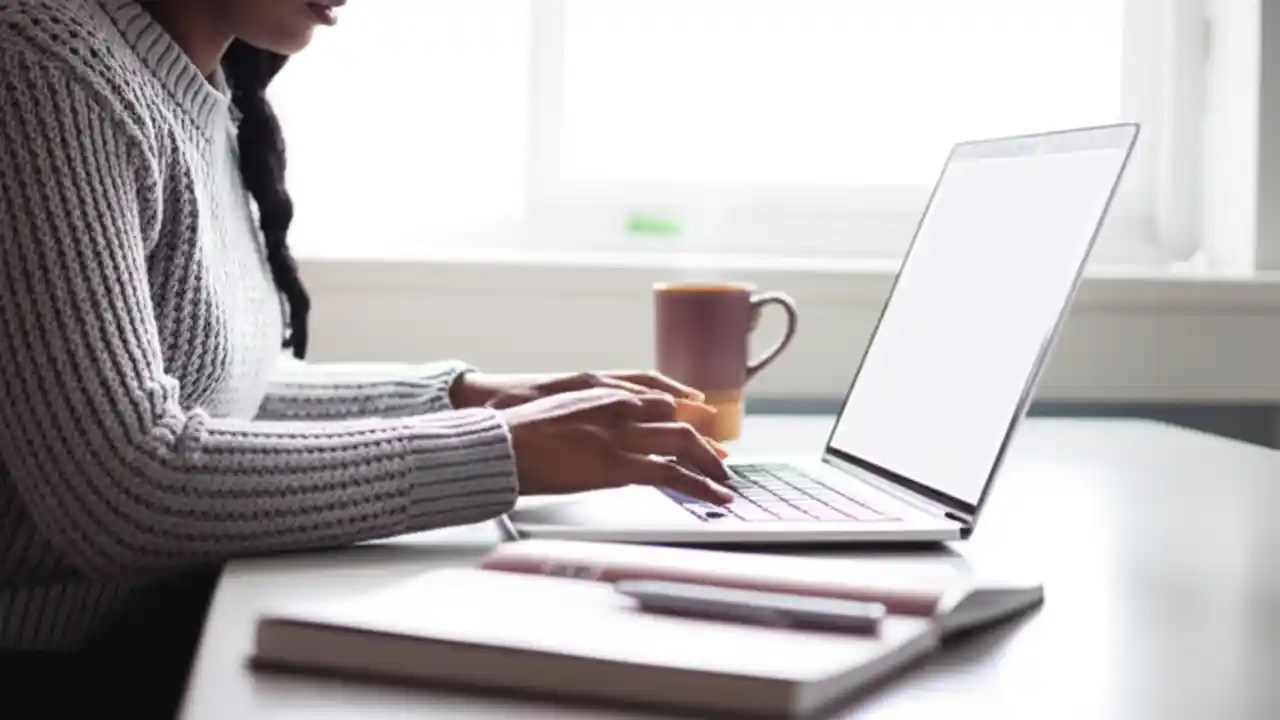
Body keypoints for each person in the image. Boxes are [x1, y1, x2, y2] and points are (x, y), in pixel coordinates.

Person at [0, 0, 733, 716]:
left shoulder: (198, 86)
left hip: (137, 635)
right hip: (50, 672)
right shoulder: (46, 65)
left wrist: (474, 398)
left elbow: (225, 394)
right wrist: (502, 449)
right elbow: (120, 492)